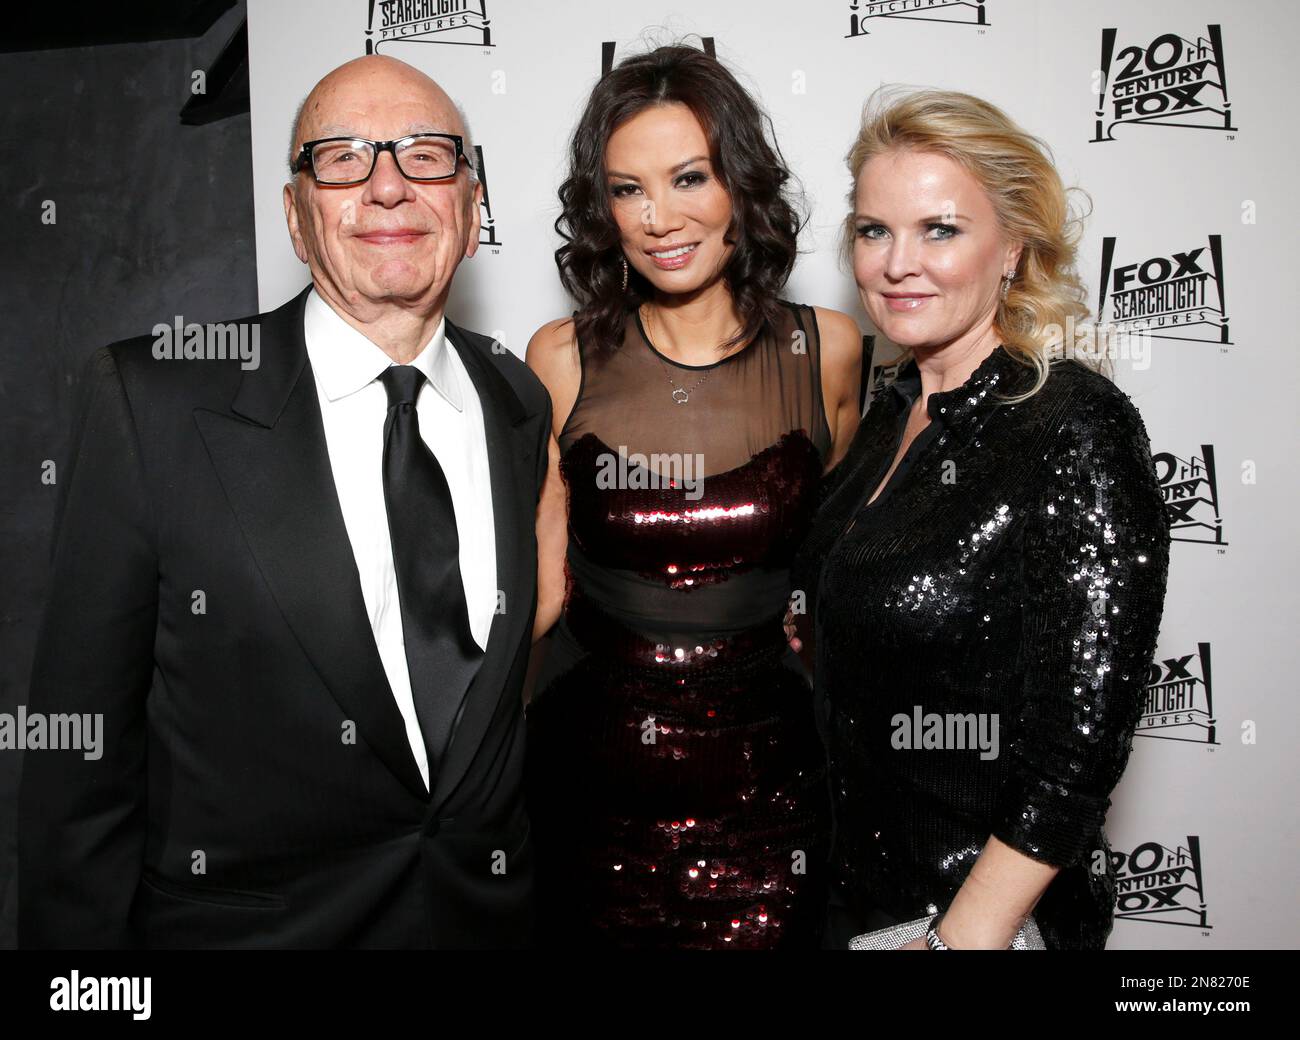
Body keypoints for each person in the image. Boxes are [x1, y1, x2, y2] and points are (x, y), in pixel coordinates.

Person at [17, 55, 551, 948]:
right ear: (296, 217)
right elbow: (80, 761)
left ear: (469, 203)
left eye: (426, 155)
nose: (387, 186)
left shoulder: (517, 399)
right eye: (341, 158)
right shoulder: (153, 401)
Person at [793, 88, 1171, 950]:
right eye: (874, 230)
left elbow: (1078, 744)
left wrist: (962, 940)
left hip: (977, 921)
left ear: (1012, 250)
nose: (897, 263)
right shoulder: (891, 410)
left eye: (941, 230)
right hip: (857, 899)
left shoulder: (1071, 425)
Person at [522, 44, 862, 949]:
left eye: (687, 178)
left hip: (771, 798)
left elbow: (844, 581)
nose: (659, 217)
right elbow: (536, 591)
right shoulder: (560, 358)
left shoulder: (826, 351)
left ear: (738, 188)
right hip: (589, 791)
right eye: (628, 190)